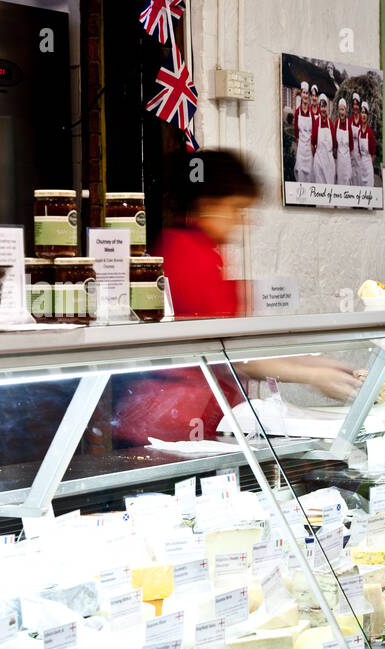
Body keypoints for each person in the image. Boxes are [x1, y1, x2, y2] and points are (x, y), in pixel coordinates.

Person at [113, 150, 360, 446]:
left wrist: (318, 364)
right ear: (209, 206)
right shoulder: (187, 256)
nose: (245, 221)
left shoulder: (202, 250)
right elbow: (238, 355)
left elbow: (240, 345)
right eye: (237, 209)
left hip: (194, 421)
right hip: (172, 429)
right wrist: (313, 375)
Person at [310, 93, 335, 185]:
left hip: (329, 164)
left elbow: (334, 146)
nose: (323, 109)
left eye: (324, 107)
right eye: (321, 107)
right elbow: (312, 143)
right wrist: (317, 158)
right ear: (319, 108)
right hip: (319, 163)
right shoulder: (316, 123)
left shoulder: (330, 123)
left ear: (327, 107)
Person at [293, 81, 314, 183]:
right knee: (300, 171)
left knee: (309, 173)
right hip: (301, 148)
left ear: (308, 95)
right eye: (303, 93)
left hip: (309, 149)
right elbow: (296, 132)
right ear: (301, 94)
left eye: (307, 93)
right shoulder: (297, 112)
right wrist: (300, 145)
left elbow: (314, 131)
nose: (305, 95)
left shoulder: (311, 113)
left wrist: (311, 145)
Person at [333, 97, 353, 186]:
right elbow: (334, 141)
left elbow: (351, 144)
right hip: (339, 159)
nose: (341, 112)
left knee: (347, 178)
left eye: (343, 109)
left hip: (347, 159)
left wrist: (349, 159)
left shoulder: (349, 124)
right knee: (340, 180)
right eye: (340, 109)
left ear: (345, 111)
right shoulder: (336, 123)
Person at [357, 102, 376, 189]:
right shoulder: (359, 132)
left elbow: (374, 154)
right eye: (362, 112)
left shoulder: (370, 132)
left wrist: (368, 166)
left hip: (368, 167)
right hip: (361, 167)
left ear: (367, 115)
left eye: (365, 113)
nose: (363, 115)